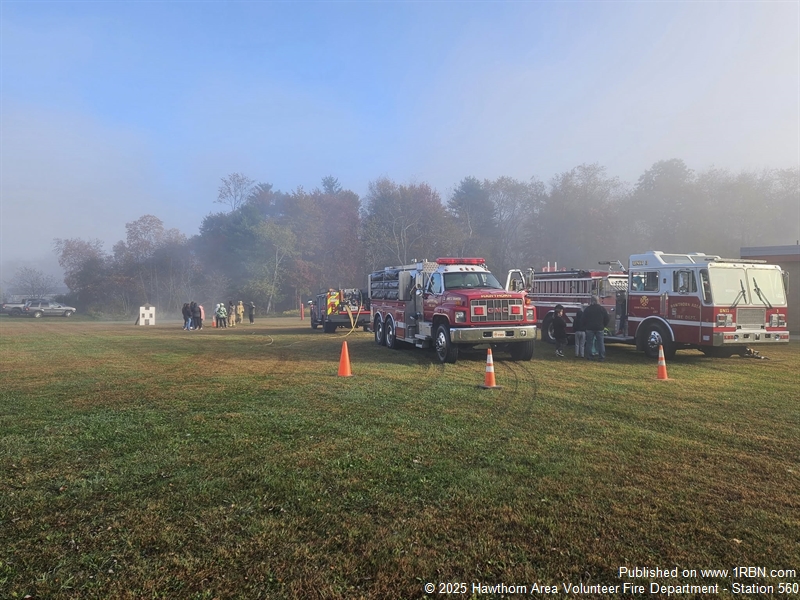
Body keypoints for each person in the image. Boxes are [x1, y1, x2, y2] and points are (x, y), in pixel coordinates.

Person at [583, 295, 609, 361]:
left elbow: (583, 319)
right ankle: (601, 357)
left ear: (591, 301)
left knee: (589, 343)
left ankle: (590, 356)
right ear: (598, 300)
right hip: (600, 328)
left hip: (590, 328)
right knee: (601, 343)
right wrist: (603, 325)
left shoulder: (588, 309)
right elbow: (607, 318)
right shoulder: (602, 309)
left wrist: (586, 326)